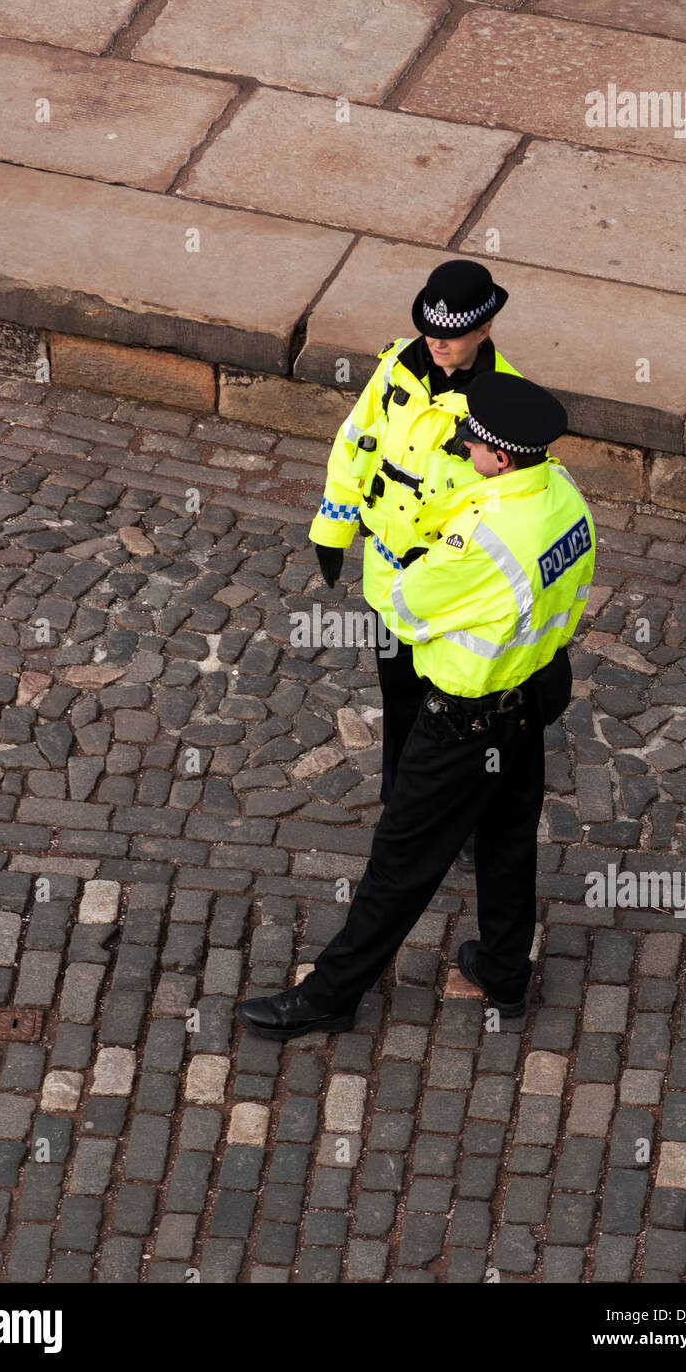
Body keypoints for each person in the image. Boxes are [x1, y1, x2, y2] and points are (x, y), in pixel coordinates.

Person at [237, 374, 596, 1041]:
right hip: (532, 693)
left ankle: (331, 995)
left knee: (399, 863)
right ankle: (503, 971)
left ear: (501, 458)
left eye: (474, 442)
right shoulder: (564, 497)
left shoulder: (483, 540)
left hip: (464, 718)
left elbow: (402, 607)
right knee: (506, 841)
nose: (462, 445)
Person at [308, 260, 521, 866]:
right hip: (388, 579)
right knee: (399, 700)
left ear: (485, 328)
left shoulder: (502, 401)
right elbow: (355, 443)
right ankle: (400, 806)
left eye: (451, 331)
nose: (436, 340)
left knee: (456, 714)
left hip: (452, 591)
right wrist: (333, 525)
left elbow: (510, 506)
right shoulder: (397, 364)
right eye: (429, 326)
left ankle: (461, 818)